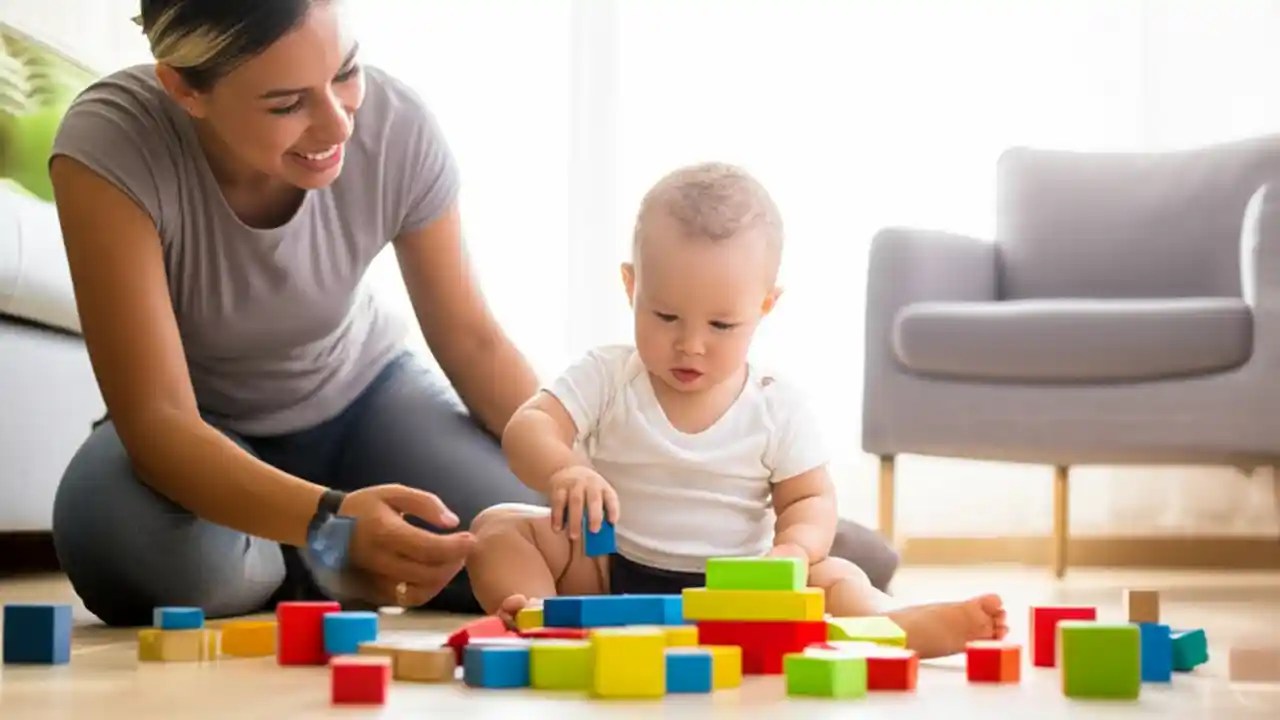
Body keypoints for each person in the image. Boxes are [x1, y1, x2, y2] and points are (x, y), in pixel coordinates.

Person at [47, 0, 899, 627]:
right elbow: (157, 418)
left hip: (365, 403)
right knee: (133, 555)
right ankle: (333, 563)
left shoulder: (396, 127)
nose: (337, 119)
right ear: (184, 91)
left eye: (346, 71)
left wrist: (592, 474)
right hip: (199, 432)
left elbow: (471, 339)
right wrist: (326, 520)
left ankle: (764, 539)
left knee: (539, 546)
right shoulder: (112, 144)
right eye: (286, 103)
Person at [466, 162, 1007, 658]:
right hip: (609, 575)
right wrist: (566, 469)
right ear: (631, 286)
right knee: (497, 530)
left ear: (765, 305)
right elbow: (530, 426)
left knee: (834, 575)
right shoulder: (609, 374)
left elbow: (811, 496)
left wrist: (794, 548)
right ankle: (536, 618)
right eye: (665, 315)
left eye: (721, 326)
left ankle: (890, 622)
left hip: (744, 588)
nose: (691, 344)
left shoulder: (774, 404)